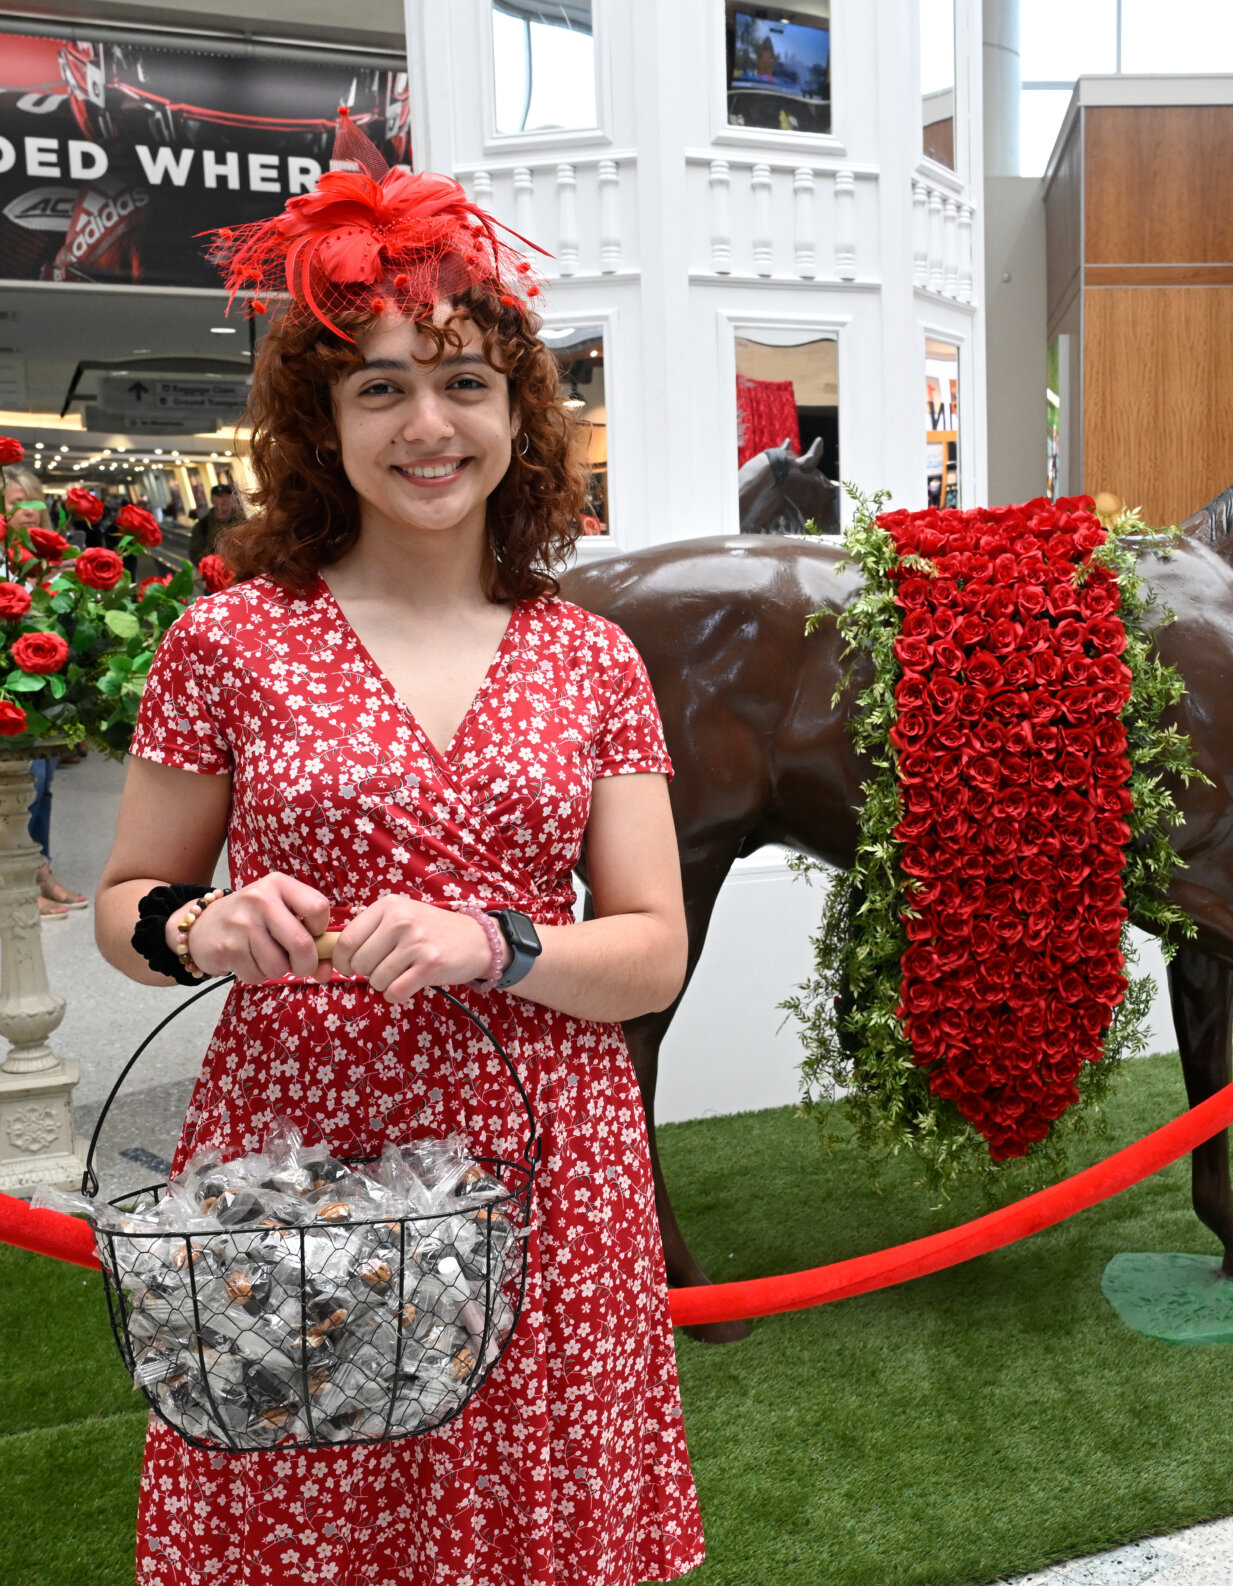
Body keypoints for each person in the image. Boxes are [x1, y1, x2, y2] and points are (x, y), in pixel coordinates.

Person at [94, 112, 704, 1584]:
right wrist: (200, 926)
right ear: (323, 423)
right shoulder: (227, 640)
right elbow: (124, 903)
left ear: (518, 414)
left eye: (463, 382)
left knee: (532, 1512)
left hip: (545, 1153)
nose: (428, 424)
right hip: (295, 1149)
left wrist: (493, 940)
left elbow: (651, 952)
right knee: (308, 1503)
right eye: (381, 387)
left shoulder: (590, 658)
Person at [2, 463, 87, 914]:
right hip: (11, 687)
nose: (29, 510)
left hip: (45, 682)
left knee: (46, 779)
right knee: (25, 781)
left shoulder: (50, 557)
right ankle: (18, 879)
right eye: (18, 502)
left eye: (35, 501)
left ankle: (42, 870)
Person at [186, 480, 245, 562]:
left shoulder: (242, 520)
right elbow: (196, 554)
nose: (225, 499)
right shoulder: (203, 525)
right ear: (212, 500)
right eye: (221, 496)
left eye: (228, 495)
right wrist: (217, 561)